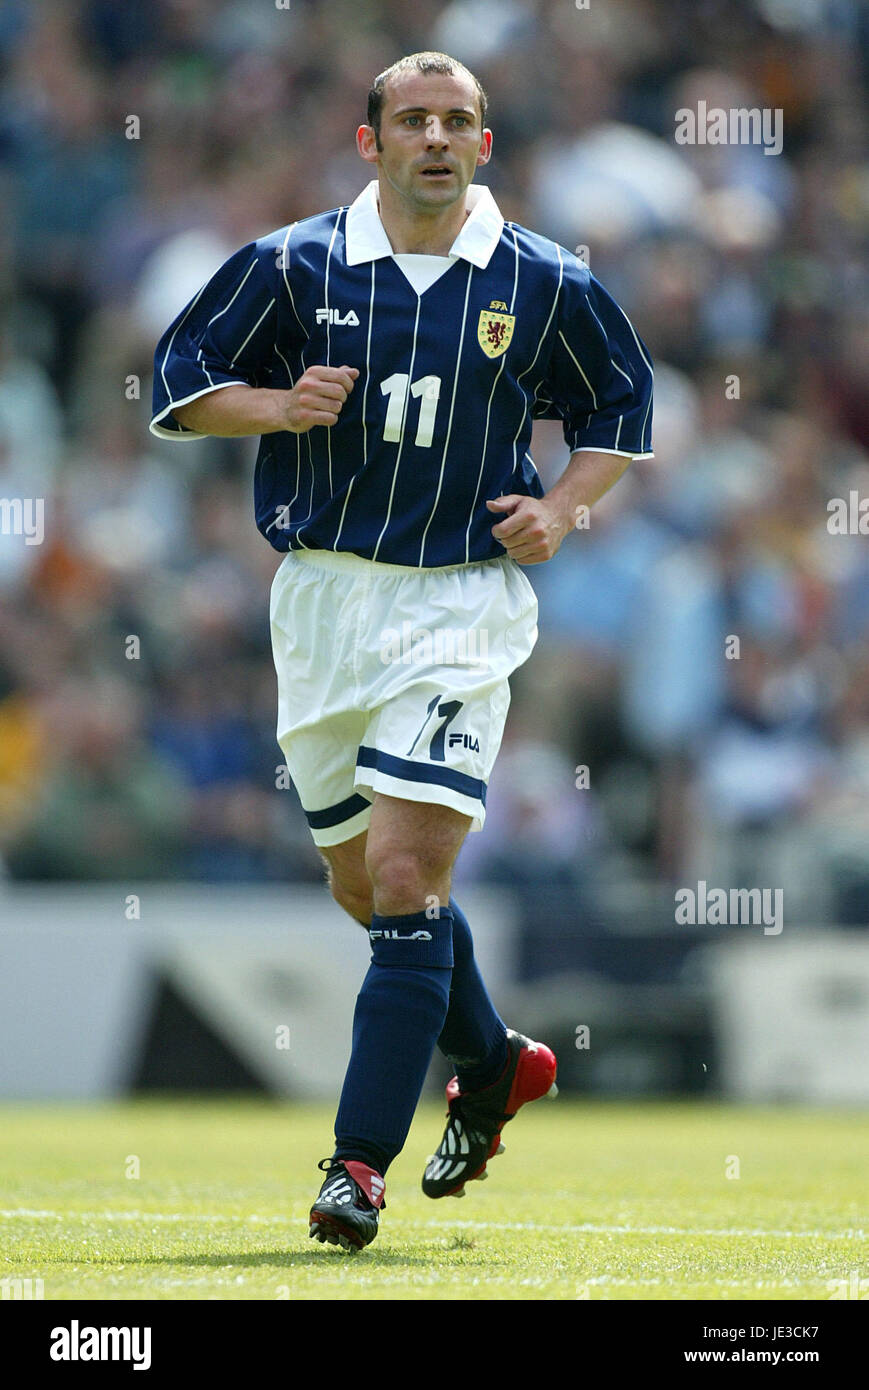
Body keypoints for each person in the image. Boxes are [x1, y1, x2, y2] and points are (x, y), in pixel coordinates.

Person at [150, 51, 653, 1251]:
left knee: (406, 882)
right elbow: (177, 382)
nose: (436, 136)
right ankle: (492, 1062)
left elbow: (620, 415)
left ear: (484, 145)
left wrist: (562, 509)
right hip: (320, 604)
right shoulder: (292, 263)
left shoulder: (542, 279)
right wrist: (275, 407)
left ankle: (354, 1166)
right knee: (363, 889)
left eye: (459, 121)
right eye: (412, 119)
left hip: (458, 607)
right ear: (367, 141)